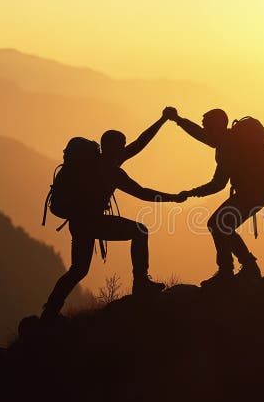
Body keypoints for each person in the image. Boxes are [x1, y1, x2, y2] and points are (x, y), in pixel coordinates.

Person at [42, 110, 186, 321]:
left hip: (79, 223)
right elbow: (142, 192)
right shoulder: (110, 170)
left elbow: (138, 144)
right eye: (121, 145)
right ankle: (141, 283)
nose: (124, 148)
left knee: (78, 269)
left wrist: (162, 121)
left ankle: (50, 311)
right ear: (114, 147)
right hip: (94, 222)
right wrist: (173, 198)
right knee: (140, 231)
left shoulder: (99, 162)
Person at [164, 107, 264, 286]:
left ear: (216, 127)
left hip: (252, 195)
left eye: (207, 127)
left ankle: (230, 271)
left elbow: (218, 184)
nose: (204, 131)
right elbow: (205, 139)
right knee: (223, 225)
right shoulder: (230, 142)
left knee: (218, 224)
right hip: (256, 194)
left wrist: (191, 192)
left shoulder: (228, 145)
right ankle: (246, 267)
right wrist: (179, 120)